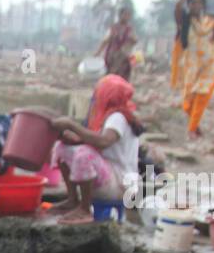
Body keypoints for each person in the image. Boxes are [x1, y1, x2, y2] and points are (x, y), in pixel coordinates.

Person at [48, 74, 144, 225]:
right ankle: (73, 199)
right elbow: (99, 141)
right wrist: (75, 139)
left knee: (85, 155)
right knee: (62, 148)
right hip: (110, 177)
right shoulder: (111, 115)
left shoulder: (118, 117)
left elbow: (104, 141)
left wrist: (72, 125)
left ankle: (85, 209)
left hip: (120, 184)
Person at [170, 0, 214, 139]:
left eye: (200, 2)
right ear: (189, 5)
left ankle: (192, 129)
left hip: (211, 62)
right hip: (191, 64)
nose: (197, 5)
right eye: (193, 3)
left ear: (204, 5)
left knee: (202, 93)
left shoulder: (210, 21)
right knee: (187, 101)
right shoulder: (185, 21)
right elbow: (177, 7)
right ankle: (194, 123)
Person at [97, 7, 137, 80]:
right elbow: (105, 40)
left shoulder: (129, 29)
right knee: (111, 76)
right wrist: (98, 52)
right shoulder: (113, 28)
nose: (127, 17)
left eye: (128, 15)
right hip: (113, 57)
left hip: (124, 57)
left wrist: (131, 39)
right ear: (120, 15)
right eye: (125, 15)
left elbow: (135, 41)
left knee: (123, 77)